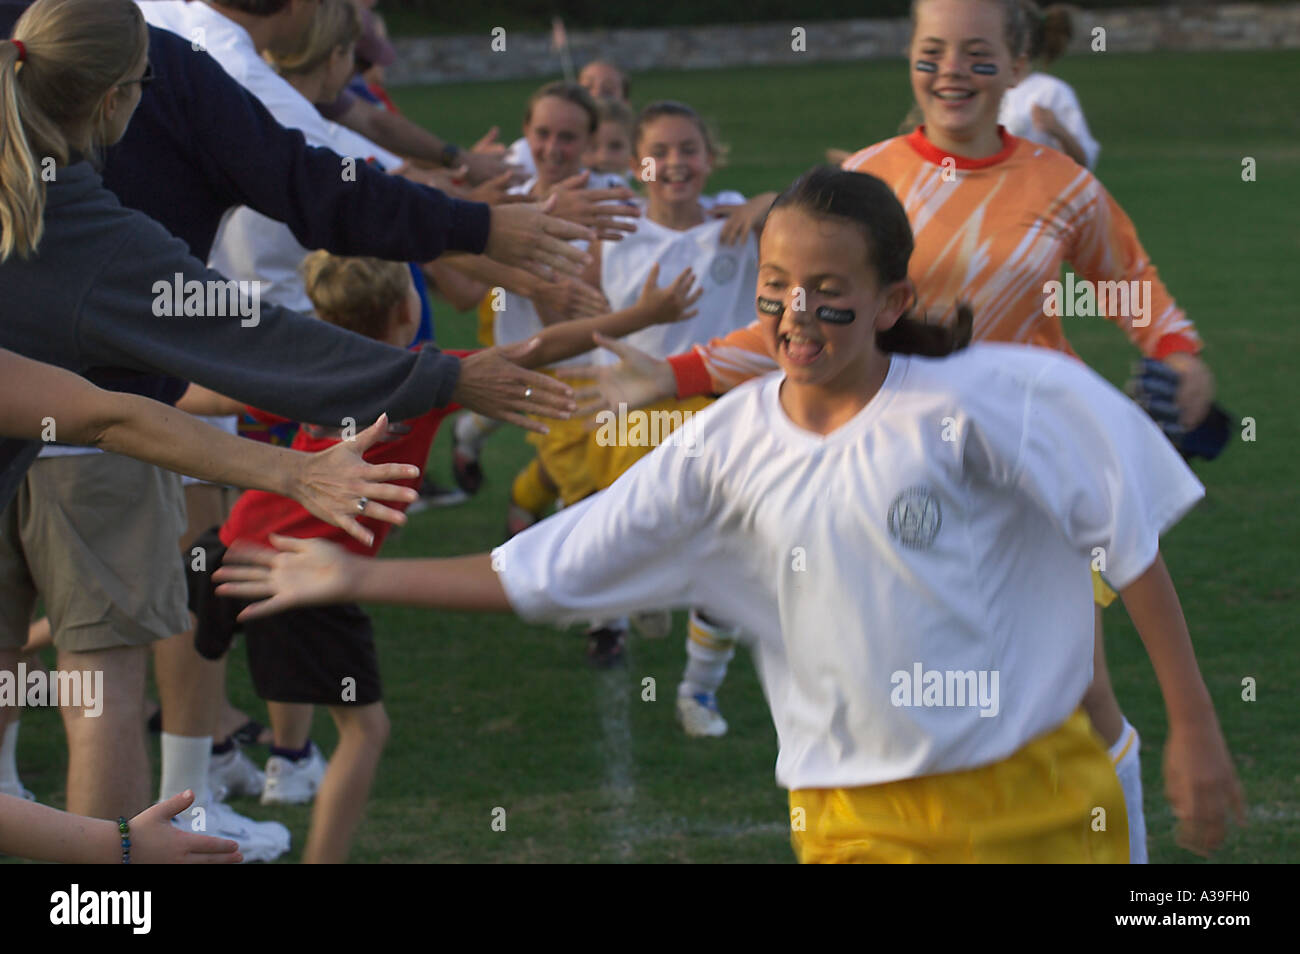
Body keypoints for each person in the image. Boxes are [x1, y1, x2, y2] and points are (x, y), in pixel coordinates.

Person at [216, 167, 1244, 863]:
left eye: (831, 292)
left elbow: (1127, 539)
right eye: (779, 288)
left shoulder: (999, 398)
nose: (799, 316)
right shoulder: (727, 441)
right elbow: (546, 565)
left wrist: (1191, 728)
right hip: (850, 823)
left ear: (891, 301)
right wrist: (353, 575)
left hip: (1047, 808)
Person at [572, 0, 1217, 864]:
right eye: (933, 50)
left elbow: (1130, 285)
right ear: (911, 59)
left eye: (977, 53)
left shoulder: (1062, 184)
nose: (953, 69)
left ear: (1016, 66)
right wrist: (674, 372)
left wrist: (1182, 355)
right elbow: (805, 319)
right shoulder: (874, 176)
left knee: (1079, 690)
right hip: (897, 474)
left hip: (1028, 478)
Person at [0, 0, 572, 855]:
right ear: (119, 102)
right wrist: (438, 371)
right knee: (101, 694)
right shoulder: (81, 229)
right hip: (90, 462)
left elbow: (110, 411)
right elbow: (215, 348)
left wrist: (295, 474)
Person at [182, 247, 698, 861]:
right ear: (407, 310)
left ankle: (197, 794)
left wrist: (132, 381)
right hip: (308, 574)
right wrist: (645, 313)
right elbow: (541, 348)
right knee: (365, 732)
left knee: (157, 653)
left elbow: (204, 398)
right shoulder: (424, 375)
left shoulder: (305, 367)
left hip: (230, 545)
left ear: (319, 313)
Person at [998, 1, 1099, 169]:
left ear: (1026, 40)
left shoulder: (1051, 92)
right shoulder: (984, 89)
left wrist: (1058, 131)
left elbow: (1084, 163)